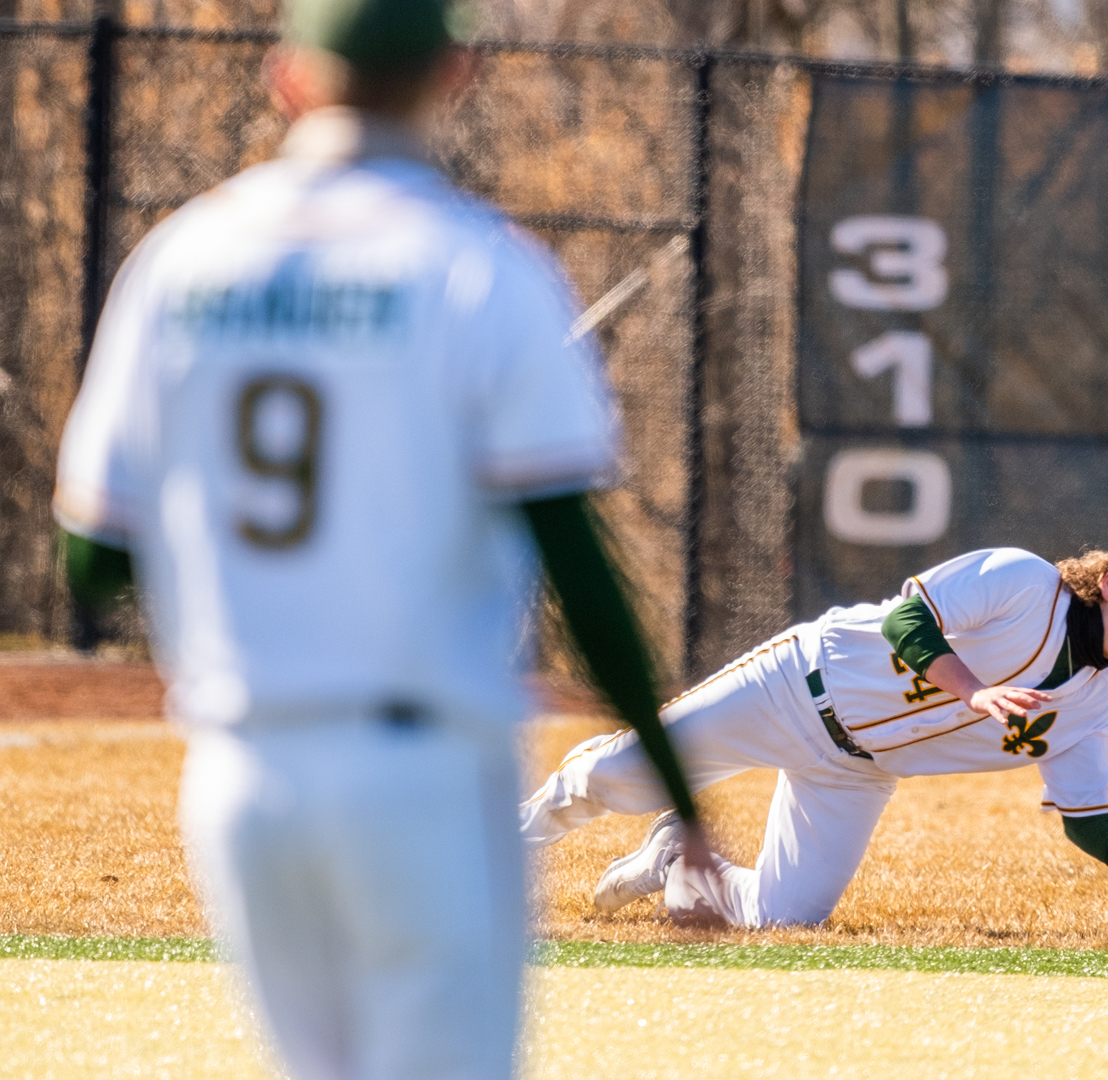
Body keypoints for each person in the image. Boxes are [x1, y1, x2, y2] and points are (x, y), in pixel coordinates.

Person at [51, 2, 710, 1076]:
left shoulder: (182, 260)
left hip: (244, 769)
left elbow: (93, 560)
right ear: (455, 74)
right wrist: (679, 795)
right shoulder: (480, 266)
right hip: (423, 768)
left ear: (287, 77)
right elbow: (578, 569)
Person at [522, 539, 1108, 927]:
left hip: (856, 772)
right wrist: (975, 691)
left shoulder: (1095, 705)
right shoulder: (1024, 581)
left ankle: (675, 862)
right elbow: (904, 620)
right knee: (616, 779)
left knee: (784, 919)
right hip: (797, 686)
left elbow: (1087, 818)